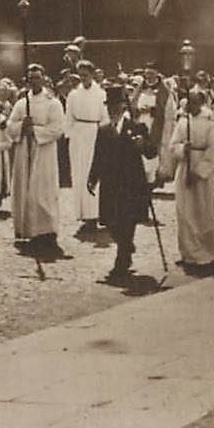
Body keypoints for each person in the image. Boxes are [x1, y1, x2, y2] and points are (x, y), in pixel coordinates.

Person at [87, 85, 153, 281]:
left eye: (117, 106)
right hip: (110, 182)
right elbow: (97, 156)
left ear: (124, 107)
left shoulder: (137, 128)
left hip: (131, 183)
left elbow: (152, 152)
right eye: (110, 107)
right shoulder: (104, 130)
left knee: (127, 220)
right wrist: (92, 178)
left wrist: (143, 145)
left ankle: (122, 260)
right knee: (111, 223)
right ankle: (126, 245)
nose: (113, 110)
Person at [168, 88, 214, 269]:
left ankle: (207, 251)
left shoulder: (211, 122)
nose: (191, 106)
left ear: (202, 103)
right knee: (185, 211)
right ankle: (188, 252)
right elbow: (172, 145)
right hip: (185, 168)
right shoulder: (183, 122)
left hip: (203, 172)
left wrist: (200, 171)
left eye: (195, 102)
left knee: (204, 211)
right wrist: (183, 148)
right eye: (189, 102)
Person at [7, 64, 66, 256]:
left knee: (43, 191)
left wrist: (36, 131)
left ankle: (46, 232)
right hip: (25, 150)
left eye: (37, 77)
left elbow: (57, 129)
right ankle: (28, 230)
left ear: (44, 78)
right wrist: (21, 127)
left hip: (44, 151)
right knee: (24, 189)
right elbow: (10, 126)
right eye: (30, 78)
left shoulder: (52, 102)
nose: (34, 81)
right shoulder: (21, 103)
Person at [65, 59, 108, 233]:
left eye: (86, 75)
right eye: (80, 75)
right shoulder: (73, 95)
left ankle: (95, 214)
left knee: (94, 171)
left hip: (95, 133)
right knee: (79, 173)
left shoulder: (101, 94)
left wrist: (103, 136)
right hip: (78, 135)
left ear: (92, 74)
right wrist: (70, 135)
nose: (83, 78)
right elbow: (68, 118)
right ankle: (83, 212)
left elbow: (105, 117)